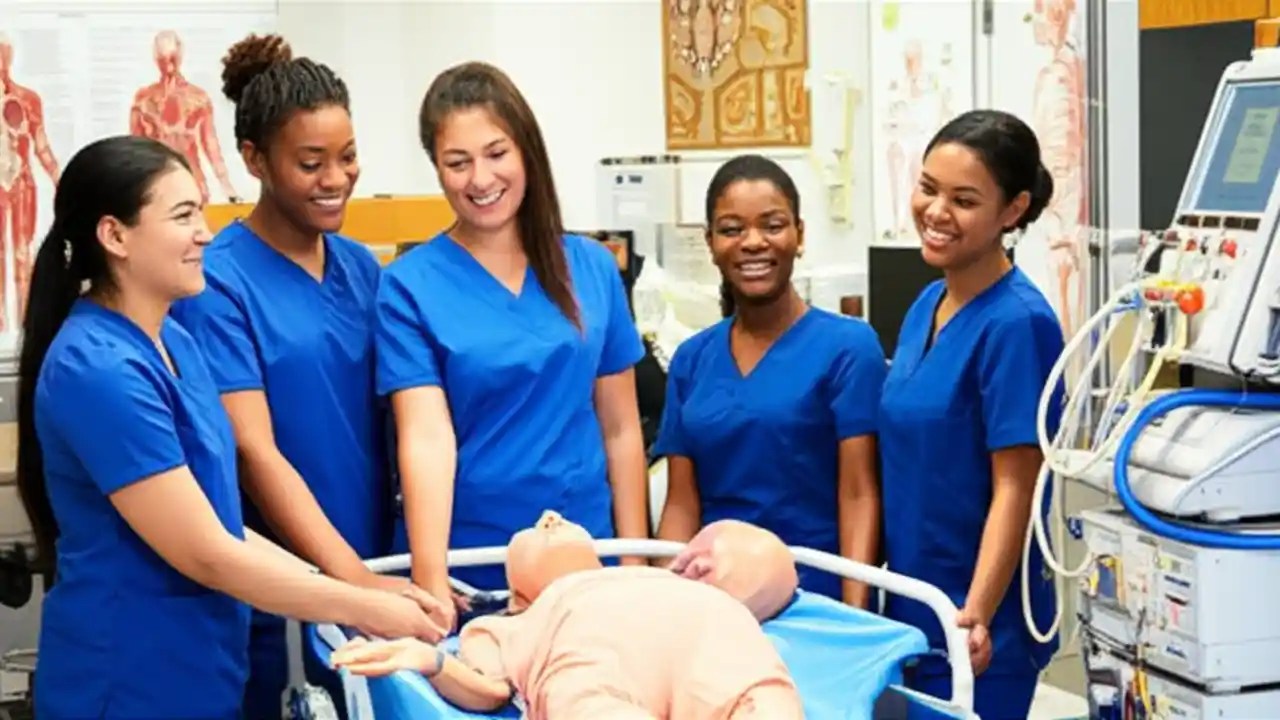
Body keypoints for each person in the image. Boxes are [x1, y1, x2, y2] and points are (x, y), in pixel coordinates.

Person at [14, 135, 446, 719]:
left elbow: (224, 524)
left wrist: (361, 591)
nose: (206, 234)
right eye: (183, 215)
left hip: (200, 668)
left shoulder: (177, 343)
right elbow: (208, 552)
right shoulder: (97, 369)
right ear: (115, 235)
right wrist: (357, 606)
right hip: (126, 679)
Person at [166, 33, 396, 719]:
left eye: (348, 157)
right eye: (311, 162)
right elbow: (254, 451)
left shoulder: (362, 269)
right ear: (254, 160)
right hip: (284, 592)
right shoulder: (219, 281)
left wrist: (382, 578)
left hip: (381, 569)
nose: (336, 179)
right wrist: (351, 584)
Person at [376, 61, 649, 618]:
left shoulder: (592, 268)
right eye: (458, 162)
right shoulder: (409, 287)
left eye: (496, 154)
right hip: (473, 563)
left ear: (526, 150)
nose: (480, 179)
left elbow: (621, 428)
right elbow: (426, 438)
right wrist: (431, 575)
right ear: (437, 168)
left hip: (584, 555)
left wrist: (634, 562)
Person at [877, 109, 1064, 720]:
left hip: (979, 629)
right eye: (928, 188)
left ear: (1012, 211)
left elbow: (1018, 484)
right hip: (916, 606)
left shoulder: (1018, 324)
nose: (935, 212)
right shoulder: (928, 302)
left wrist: (976, 612)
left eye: (963, 199)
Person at [652, 154, 884, 606]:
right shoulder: (692, 359)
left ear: (799, 235)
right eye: (732, 228)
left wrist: (857, 617)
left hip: (814, 596)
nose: (753, 242)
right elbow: (682, 503)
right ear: (711, 242)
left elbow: (859, 494)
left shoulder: (848, 348)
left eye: (772, 225)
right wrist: (667, 603)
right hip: (715, 598)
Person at [330, 510, 804, 719]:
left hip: (719, 651)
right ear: (518, 594)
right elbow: (490, 690)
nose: (551, 516)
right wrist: (432, 660)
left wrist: (713, 558)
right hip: (590, 670)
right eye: (537, 529)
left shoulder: (674, 580)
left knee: (764, 702)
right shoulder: (511, 624)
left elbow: (774, 573)